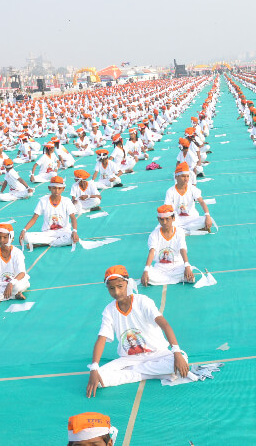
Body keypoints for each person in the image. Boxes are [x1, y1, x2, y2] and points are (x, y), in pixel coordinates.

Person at [85, 265, 193, 398]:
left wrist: (176, 351)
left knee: (182, 359)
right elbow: (101, 338)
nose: (117, 292)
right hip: (129, 359)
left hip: (157, 354)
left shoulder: (143, 301)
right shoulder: (109, 310)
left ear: (128, 283)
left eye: (120, 286)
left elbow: (164, 324)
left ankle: (134, 374)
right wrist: (94, 368)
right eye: (111, 289)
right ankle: (154, 373)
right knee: (99, 379)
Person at [18, 176, 80, 250]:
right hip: (47, 232)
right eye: (54, 188)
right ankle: (54, 242)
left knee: (71, 238)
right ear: (49, 188)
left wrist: (74, 231)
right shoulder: (43, 200)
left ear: (63, 189)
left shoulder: (66, 201)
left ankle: (42, 244)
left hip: (64, 231)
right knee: (26, 237)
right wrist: (24, 230)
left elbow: (73, 218)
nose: (56, 191)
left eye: (59, 188)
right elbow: (34, 218)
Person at [142, 205, 195, 286]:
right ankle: (179, 279)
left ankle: (166, 279)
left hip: (177, 265)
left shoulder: (179, 232)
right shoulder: (154, 234)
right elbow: (152, 252)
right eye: (162, 220)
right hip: (160, 267)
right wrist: (146, 270)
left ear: (173, 218)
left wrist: (186, 265)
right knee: (148, 277)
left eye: (167, 219)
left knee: (189, 273)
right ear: (158, 220)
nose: (165, 222)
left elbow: (182, 249)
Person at [163, 163, 216, 233]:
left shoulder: (192, 188)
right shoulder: (170, 191)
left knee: (207, 220)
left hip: (192, 218)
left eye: (187, 176)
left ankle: (181, 230)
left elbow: (202, 202)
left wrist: (207, 215)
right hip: (177, 219)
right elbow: (167, 207)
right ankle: (190, 229)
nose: (186, 179)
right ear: (176, 177)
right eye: (183, 176)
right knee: (165, 225)